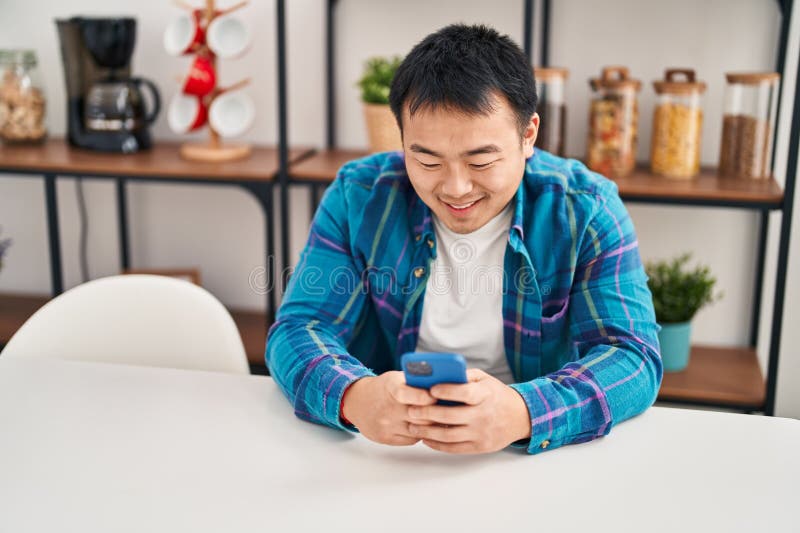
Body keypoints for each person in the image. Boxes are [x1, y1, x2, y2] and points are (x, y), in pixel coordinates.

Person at [266, 23, 662, 455]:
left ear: (528, 135)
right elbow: (298, 328)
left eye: (481, 160)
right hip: (389, 452)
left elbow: (632, 357)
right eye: (427, 160)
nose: (455, 188)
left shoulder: (586, 209)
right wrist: (353, 396)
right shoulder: (359, 195)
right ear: (402, 139)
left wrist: (522, 412)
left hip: (529, 450)